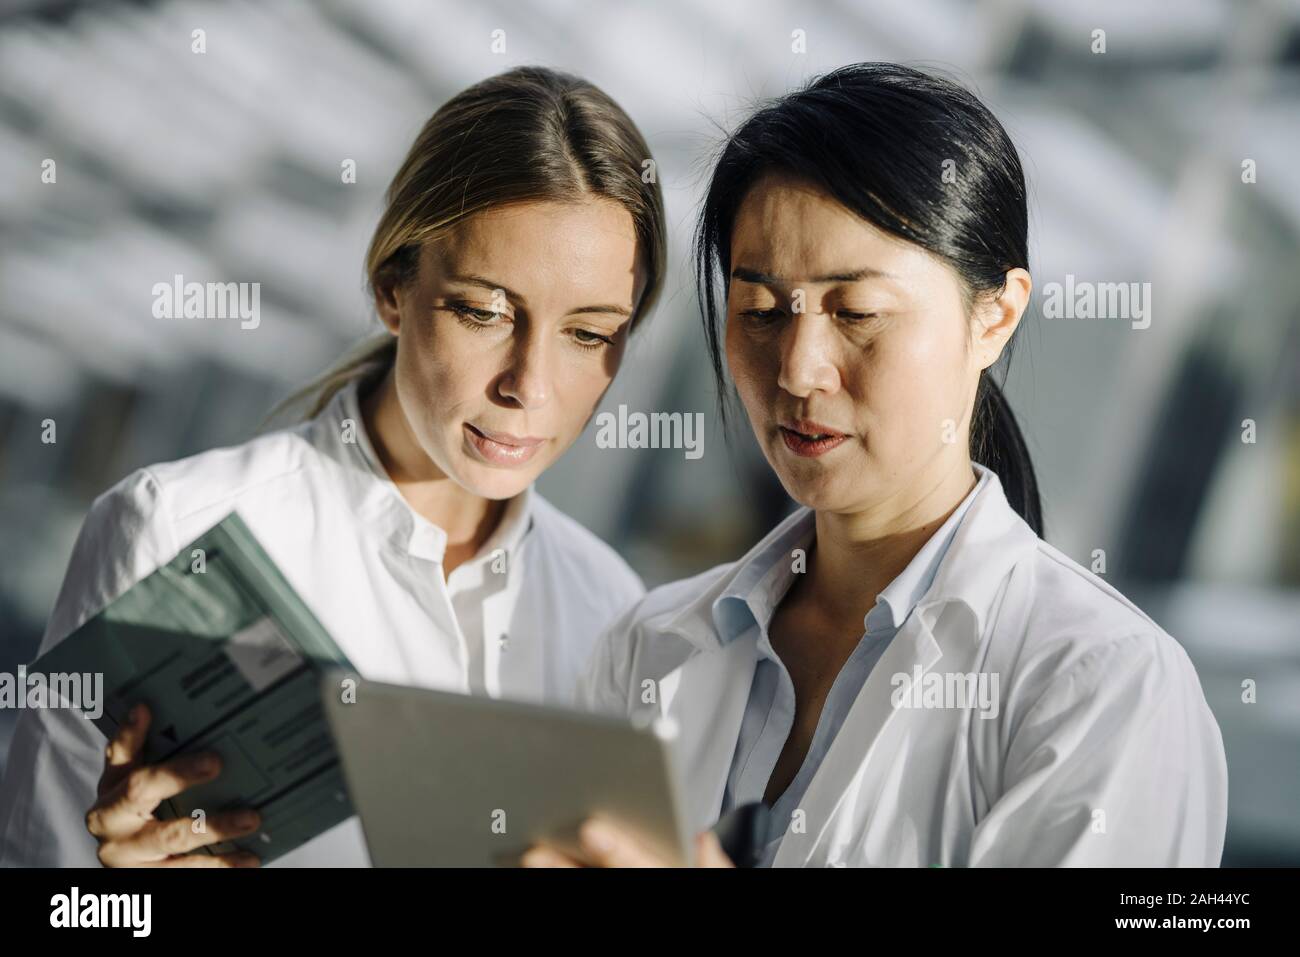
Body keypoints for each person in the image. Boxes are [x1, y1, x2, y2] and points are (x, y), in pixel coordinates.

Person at [524, 63, 1227, 868]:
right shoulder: (646, 650)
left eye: (856, 312)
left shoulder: (1104, 688)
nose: (798, 369)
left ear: (993, 316)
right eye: (759, 311)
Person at [0, 65, 666, 868]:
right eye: (484, 311)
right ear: (394, 286)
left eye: (588, 335)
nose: (530, 386)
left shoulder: (613, 612)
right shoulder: (176, 530)